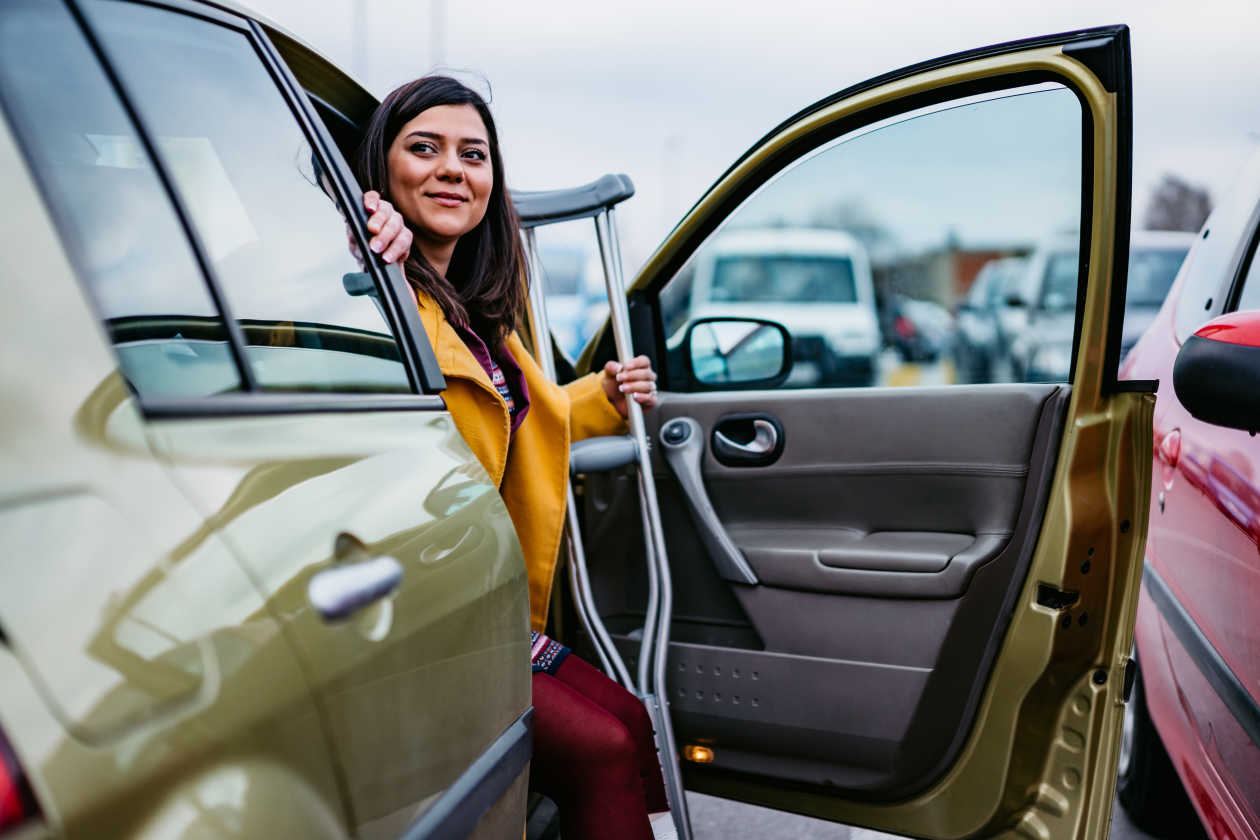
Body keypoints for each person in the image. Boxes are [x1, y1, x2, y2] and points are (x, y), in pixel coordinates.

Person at [353, 76, 677, 840]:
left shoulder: (470, 314)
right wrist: (359, 235)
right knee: (602, 747)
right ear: (381, 170)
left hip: (484, 606)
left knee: (631, 718)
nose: (451, 170)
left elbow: (522, 414)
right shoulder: (373, 284)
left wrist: (603, 394)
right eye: (423, 148)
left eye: (473, 154)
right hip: (421, 617)